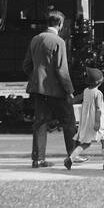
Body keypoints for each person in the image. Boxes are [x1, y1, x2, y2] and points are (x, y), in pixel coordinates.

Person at [23, 11, 83, 169]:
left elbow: (26, 65)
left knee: (40, 123)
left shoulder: (35, 39)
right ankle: (73, 156)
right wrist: (69, 90)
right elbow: (61, 69)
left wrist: (37, 78)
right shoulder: (59, 41)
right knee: (69, 121)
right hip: (56, 90)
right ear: (61, 24)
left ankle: (38, 159)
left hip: (38, 88)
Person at [75, 67, 104, 170]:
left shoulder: (86, 91)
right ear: (99, 82)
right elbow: (98, 109)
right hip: (97, 122)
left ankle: (72, 157)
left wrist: (71, 100)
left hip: (88, 120)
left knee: (86, 143)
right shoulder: (98, 93)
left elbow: (77, 98)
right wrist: (98, 123)